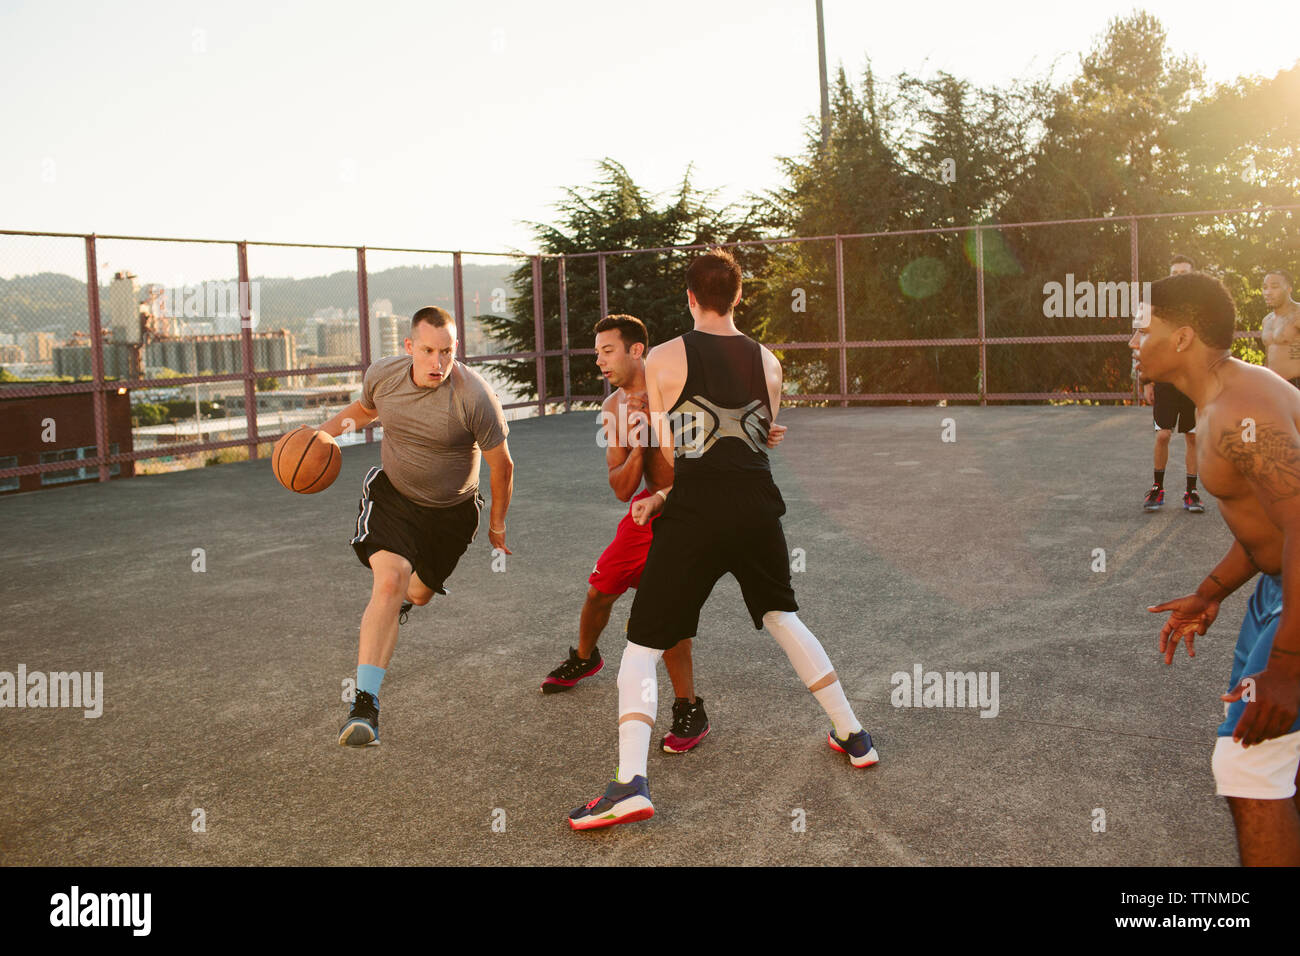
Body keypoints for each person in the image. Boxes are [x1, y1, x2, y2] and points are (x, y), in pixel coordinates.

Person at [568, 248, 875, 831]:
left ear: (689, 296)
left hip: (696, 512)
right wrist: (665, 494)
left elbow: (675, 444)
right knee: (783, 617)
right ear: (739, 297)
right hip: (758, 508)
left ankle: (630, 785)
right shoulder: (770, 361)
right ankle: (853, 734)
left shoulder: (663, 357)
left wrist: (661, 497)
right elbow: (756, 441)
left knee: (642, 645)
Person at [541, 314, 783, 752]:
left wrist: (760, 429)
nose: (598, 361)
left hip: (692, 509)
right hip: (646, 509)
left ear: (637, 350)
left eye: (606, 350)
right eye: (596, 352)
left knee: (669, 615)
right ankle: (584, 657)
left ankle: (689, 707)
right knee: (598, 591)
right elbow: (620, 488)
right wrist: (640, 442)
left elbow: (722, 444)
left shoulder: (677, 382)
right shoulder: (614, 408)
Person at [1136, 272, 1300, 866]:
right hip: (1277, 588)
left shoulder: (1242, 407)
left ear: (1181, 338)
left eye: (1142, 326)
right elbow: (1271, 529)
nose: (1132, 339)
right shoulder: (1219, 401)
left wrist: (1287, 665)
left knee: (1248, 763)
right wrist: (1210, 593)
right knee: (1276, 764)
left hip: (1294, 600)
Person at [317, 306, 513, 746]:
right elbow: (363, 412)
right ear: (409, 348)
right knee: (390, 582)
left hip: (453, 512)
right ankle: (365, 705)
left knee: (418, 594)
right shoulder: (384, 376)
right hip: (396, 498)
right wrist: (320, 436)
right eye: (427, 350)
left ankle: (402, 604)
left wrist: (496, 524)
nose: (437, 362)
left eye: (446, 351)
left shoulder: (475, 397)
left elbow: (503, 466)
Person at [1140, 255, 1203, 513]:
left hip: (1191, 381)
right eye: (1174, 272)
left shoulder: (1202, 308)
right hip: (1165, 379)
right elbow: (1148, 343)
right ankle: (1157, 488)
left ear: (1193, 275)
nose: (1179, 276)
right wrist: (1146, 380)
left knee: (1192, 437)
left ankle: (1191, 492)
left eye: (1184, 272)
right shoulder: (1159, 306)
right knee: (1163, 435)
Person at [1261, 269, 1300, 388]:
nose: (1268, 292)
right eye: (1265, 287)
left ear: (1288, 289)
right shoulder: (1266, 320)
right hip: (1274, 387)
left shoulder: (1298, 313)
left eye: (1274, 287)